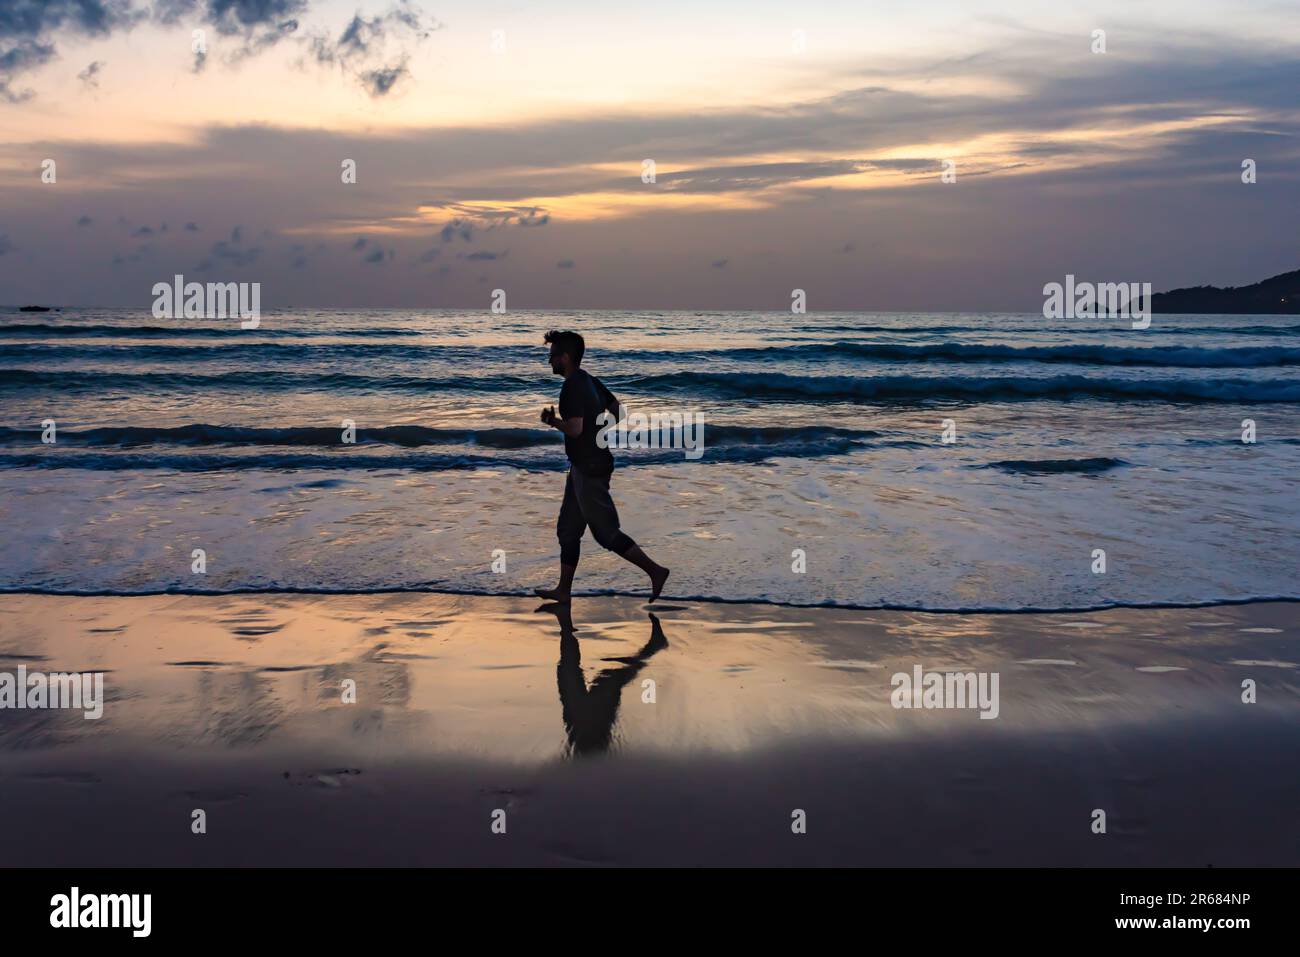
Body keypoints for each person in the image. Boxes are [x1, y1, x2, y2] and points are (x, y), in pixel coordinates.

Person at [534, 329, 669, 604]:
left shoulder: (571, 386)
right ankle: (563, 590)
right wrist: (598, 433)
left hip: (588, 468)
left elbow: (574, 429)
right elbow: (619, 412)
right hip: (586, 465)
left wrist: (553, 422)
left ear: (566, 358)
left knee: (606, 534)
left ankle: (656, 571)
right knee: (568, 530)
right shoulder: (591, 381)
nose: (549, 362)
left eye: (553, 357)